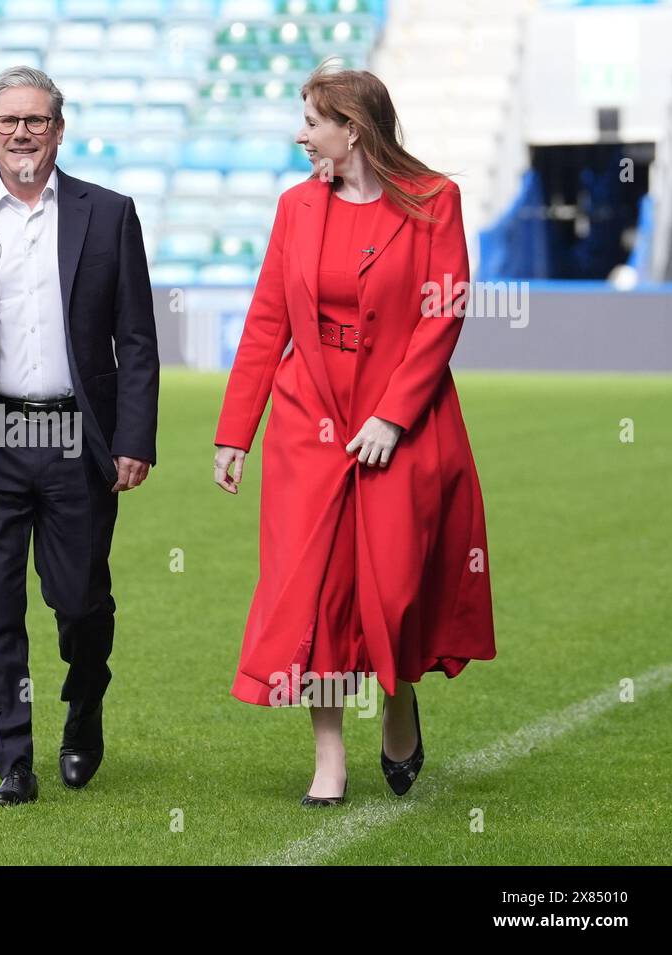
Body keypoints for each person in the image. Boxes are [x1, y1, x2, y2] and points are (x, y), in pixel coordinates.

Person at [213, 63, 495, 806]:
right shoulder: (295, 207)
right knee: (314, 593)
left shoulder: (436, 200)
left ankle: (399, 699)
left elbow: (445, 312)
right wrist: (234, 431)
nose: (301, 135)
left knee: (395, 584)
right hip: (309, 422)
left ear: (353, 129)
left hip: (404, 421)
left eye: (312, 122)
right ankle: (329, 757)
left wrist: (393, 413)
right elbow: (267, 320)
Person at [0, 66, 159, 806]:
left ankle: (84, 702)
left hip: (79, 439)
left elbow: (135, 339)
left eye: (35, 121)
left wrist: (133, 435)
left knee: (79, 600)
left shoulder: (108, 215)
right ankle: (13, 756)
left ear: (59, 129)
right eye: (7, 120)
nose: (21, 132)